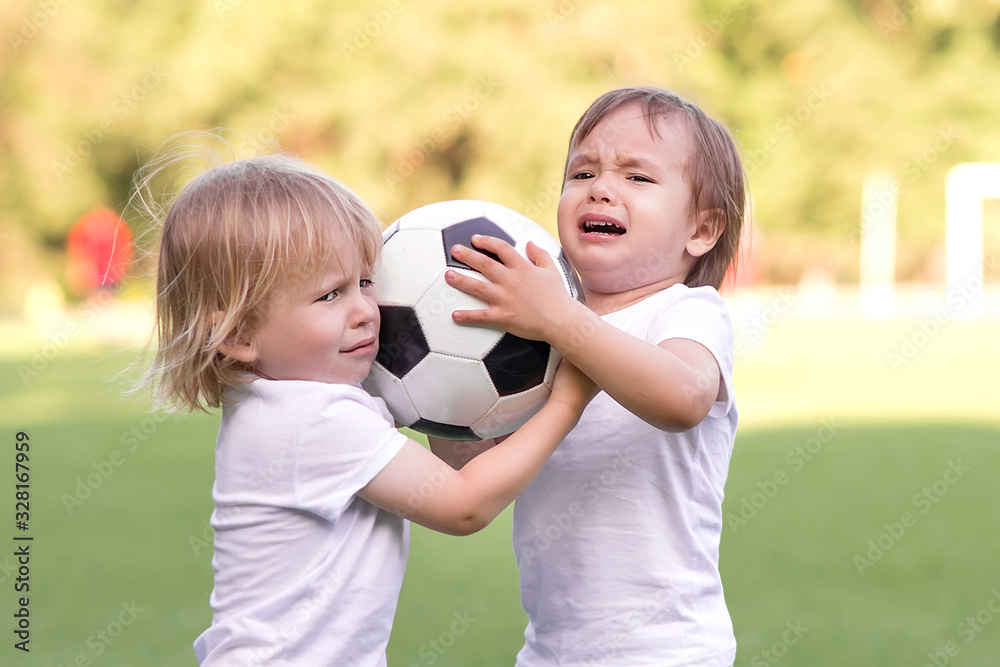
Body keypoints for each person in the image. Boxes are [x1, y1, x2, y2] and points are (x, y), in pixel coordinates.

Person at [140, 148, 595, 666]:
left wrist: (456, 391)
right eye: (329, 295)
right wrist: (569, 400)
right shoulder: (313, 418)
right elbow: (463, 505)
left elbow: (449, 461)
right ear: (239, 333)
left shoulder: (290, 396)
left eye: (363, 282)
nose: (365, 310)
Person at [441, 86, 747, 666]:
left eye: (638, 178)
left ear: (701, 230)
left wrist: (562, 319)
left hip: (667, 651)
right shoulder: (532, 337)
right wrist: (436, 386)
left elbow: (684, 397)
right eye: (582, 173)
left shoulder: (684, 310)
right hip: (551, 651)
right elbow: (469, 470)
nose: (601, 188)